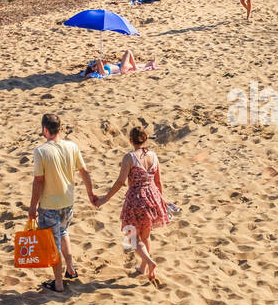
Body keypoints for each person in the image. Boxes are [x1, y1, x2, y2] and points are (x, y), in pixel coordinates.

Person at [95, 126, 171, 288]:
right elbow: (158, 181)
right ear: (146, 139)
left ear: (131, 141)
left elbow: (121, 182)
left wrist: (105, 198)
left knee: (131, 236)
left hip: (136, 199)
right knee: (146, 235)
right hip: (152, 197)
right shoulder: (153, 156)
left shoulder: (129, 158)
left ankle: (149, 262)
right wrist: (161, 200)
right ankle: (144, 268)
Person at [29, 113, 97, 291]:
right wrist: (90, 194)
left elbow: (38, 181)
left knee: (54, 244)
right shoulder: (72, 146)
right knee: (64, 231)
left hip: (50, 206)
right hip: (68, 202)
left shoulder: (41, 151)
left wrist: (32, 206)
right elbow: (84, 171)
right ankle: (71, 269)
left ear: (45, 130)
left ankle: (58, 283)